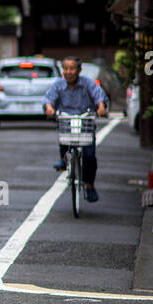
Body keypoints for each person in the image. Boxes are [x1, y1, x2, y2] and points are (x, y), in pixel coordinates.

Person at [45, 56, 109, 202]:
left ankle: (89, 185)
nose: (68, 72)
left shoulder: (88, 84)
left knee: (89, 156)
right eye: (65, 68)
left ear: (79, 70)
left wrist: (101, 107)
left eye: (72, 68)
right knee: (64, 134)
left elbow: (99, 96)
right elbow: (49, 99)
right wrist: (49, 108)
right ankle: (63, 159)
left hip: (85, 122)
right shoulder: (58, 85)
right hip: (67, 122)